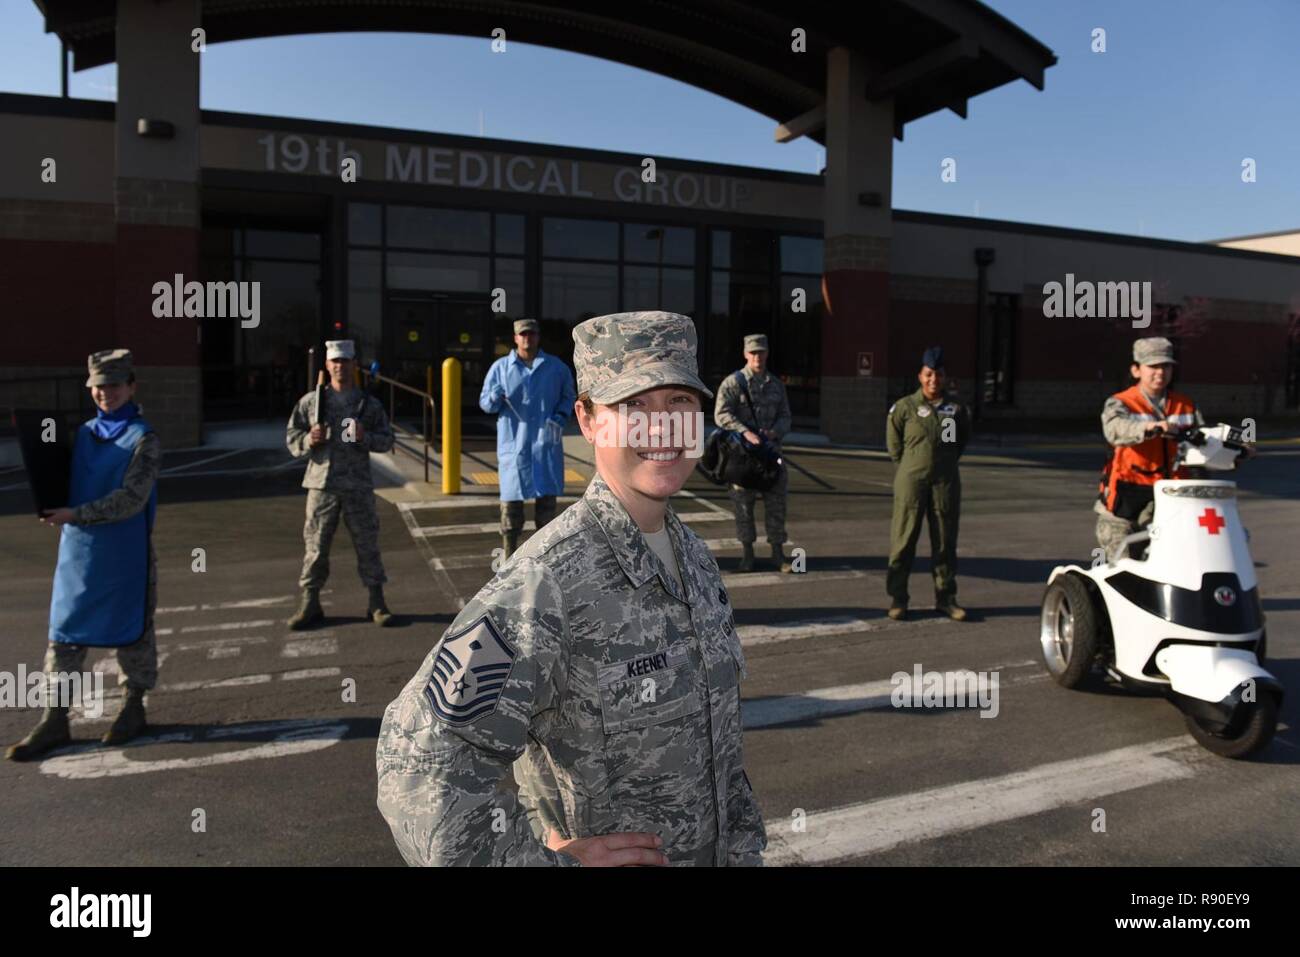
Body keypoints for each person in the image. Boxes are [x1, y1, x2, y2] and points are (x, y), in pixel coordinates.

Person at [377, 311, 766, 867]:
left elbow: (720, 757)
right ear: (586, 418)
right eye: (633, 406)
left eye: (680, 403)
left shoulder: (696, 561)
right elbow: (418, 766)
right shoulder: (547, 581)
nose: (660, 429)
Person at [6, 349, 161, 761]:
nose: (104, 393)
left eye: (113, 385)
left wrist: (75, 513)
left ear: (131, 386)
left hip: (126, 554)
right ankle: (55, 718)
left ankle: (133, 707)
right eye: (97, 386)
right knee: (64, 633)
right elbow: (57, 476)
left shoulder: (144, 439)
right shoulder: (82, 434)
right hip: (79, 553)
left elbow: (131, 499)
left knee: (133, 633)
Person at [285, 339, 397, 629]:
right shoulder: (312, 402)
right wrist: (309, 439)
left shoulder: (367, 404)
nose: (340, 367)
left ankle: (377, 601)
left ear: (353, 364)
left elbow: (387, 439)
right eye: (335, 361)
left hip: (357, 485)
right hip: (322, 485)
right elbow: (292, 435)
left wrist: (365, 438)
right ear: (327, 364)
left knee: (367, 545)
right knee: (316, 547)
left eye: (345, 361)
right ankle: (310, 602)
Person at [1095, 336, 1203, 561]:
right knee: (1121, 564)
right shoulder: (1121, 402)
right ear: (1136, 370)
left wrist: (1234, 451)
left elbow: (1204, 441)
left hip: (1171, 496)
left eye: (1166, 367)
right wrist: (1150, 427)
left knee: (1174, 559)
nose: (1160, 372)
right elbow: (1114, 429)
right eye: (1152, 366)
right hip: (1126, 497)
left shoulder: (1186, 405)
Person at [885, 346, 971, 622]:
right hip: (911, 482)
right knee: (903, 541)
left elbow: (959, 443)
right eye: (929, 374)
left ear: (945, 377)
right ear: (920, 376)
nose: (934, 379)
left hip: (945, 483)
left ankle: (946, 598)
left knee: (945, 542)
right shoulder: (905, 408)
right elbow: (894, 446)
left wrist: (941, 464)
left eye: (939, 374)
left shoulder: (956, 409)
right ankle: (899, 599)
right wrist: (912, 467)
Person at [479, 318, 577, 559]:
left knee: (546, 516)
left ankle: (543, 561)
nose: (527, 338)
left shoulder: (555, 367)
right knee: (511, 516)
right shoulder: (500, 368)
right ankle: (511, 560)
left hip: (545, 447)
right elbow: (485, 403)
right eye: (522, 334)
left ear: (538, 336)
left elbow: (569, 397)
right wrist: (495, 397)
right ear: (515, 338)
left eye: (531, 334)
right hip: (515, 448)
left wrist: (560, 417)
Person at [713, 333, 793, 573]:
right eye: (753, 352)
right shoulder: (733, 383)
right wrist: (745, 432)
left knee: (777, 505)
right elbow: (721, 414)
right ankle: (747, 555)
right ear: (746, 354)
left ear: (767, 353)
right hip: (743, 459)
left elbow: (786, 416)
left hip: (770, 457)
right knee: (743, 508)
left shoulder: (776, 385)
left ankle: (778, 554)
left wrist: (774, 433)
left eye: (761, 352)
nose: (757, 356)